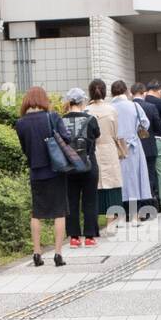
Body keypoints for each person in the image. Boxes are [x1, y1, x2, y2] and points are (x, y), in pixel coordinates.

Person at [13, 86, 69, 266]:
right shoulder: (52, 117)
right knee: (59, 211)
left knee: (37, 212)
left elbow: (24, 149)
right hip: (56, 169)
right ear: (44, 100)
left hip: (36, 172)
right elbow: (66, 138)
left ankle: (37, 253)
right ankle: (58, 254)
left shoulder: (20, 123)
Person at [61, 88, 101, 246]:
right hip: (89, 164)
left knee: (71, 200)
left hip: (69, 166)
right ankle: (90, 237)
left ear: (69, 102)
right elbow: (96, 136)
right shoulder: (90, 119)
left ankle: (74, 237)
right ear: (82, 101)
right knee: (90, 199)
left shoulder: (60, 120)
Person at [110, 80, 150, 221]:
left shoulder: (110, 107)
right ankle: (134, 215)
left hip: (115, 149)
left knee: (118, 180)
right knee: (134, 180)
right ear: (126, 91)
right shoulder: (134, 105)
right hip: (133, 147)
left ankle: (119, 215)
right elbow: (145, 123)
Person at [87, 79, 123, 230]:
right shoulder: (111, 110)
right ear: (105, 91)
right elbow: (116, 133)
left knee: (94, 185)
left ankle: (94, 222)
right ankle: (110, 222)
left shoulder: (86, 111)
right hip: (109, 148)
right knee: (112, 184)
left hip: (92, 149)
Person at [137, 82, 161, 213]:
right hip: (159, 139)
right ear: (158, 90)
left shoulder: (137, 103)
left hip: (142, 141)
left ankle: (148, 201)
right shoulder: (160, 103)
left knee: (145, 172)